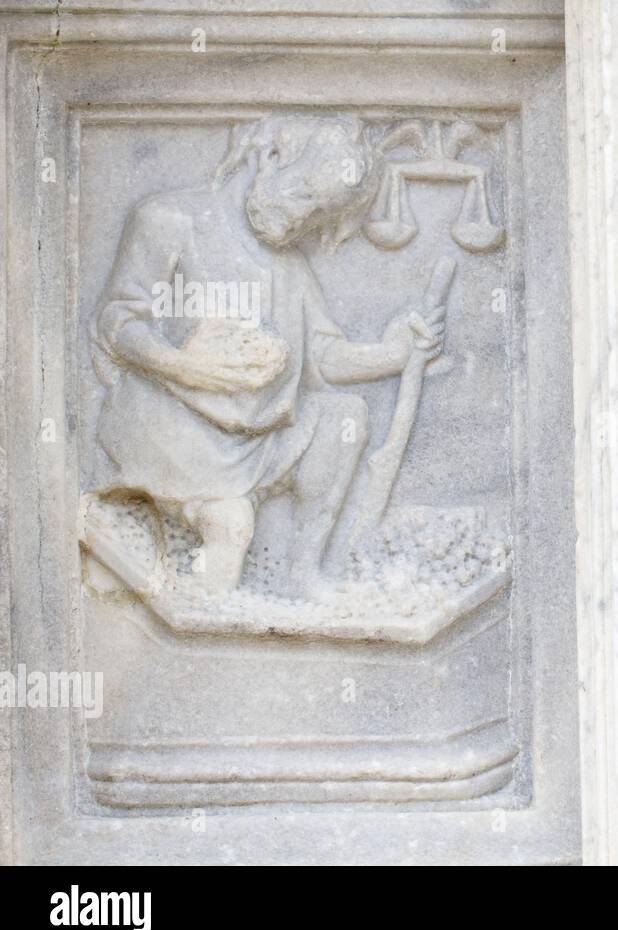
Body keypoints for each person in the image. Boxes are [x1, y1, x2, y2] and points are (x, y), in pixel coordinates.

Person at [92, 114, 444, 598]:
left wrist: (393, 352)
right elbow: (119, 321)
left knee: (344, 416)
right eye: (302, 196)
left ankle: (303, 572)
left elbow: (322, 358)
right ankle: (197, 541)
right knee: (231, 528)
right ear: (271, 157)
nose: (299, 222)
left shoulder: (289, 264)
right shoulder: (170, 220)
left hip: (259, 437)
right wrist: (185, 365)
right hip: (174, 426)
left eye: (315, 216)